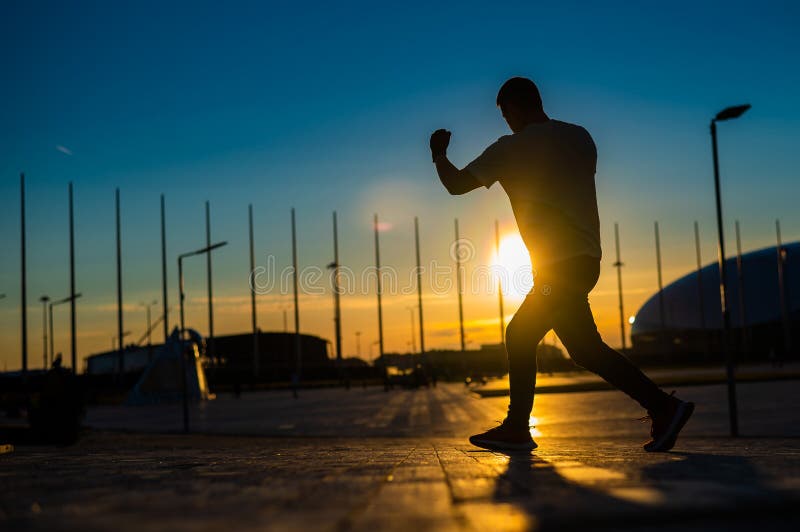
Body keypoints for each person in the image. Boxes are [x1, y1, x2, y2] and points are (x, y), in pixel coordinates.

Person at [430, 77, 694, 452]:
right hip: (586, 260)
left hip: (558, 268)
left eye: (506, 114)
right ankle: (665, 407)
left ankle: (518, 427)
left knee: (519, 335)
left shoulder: (510, 149)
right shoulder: (580, 138)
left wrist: (439, 154)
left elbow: (456, 185)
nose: (506, 122)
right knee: (585, 349)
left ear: (516, 109)